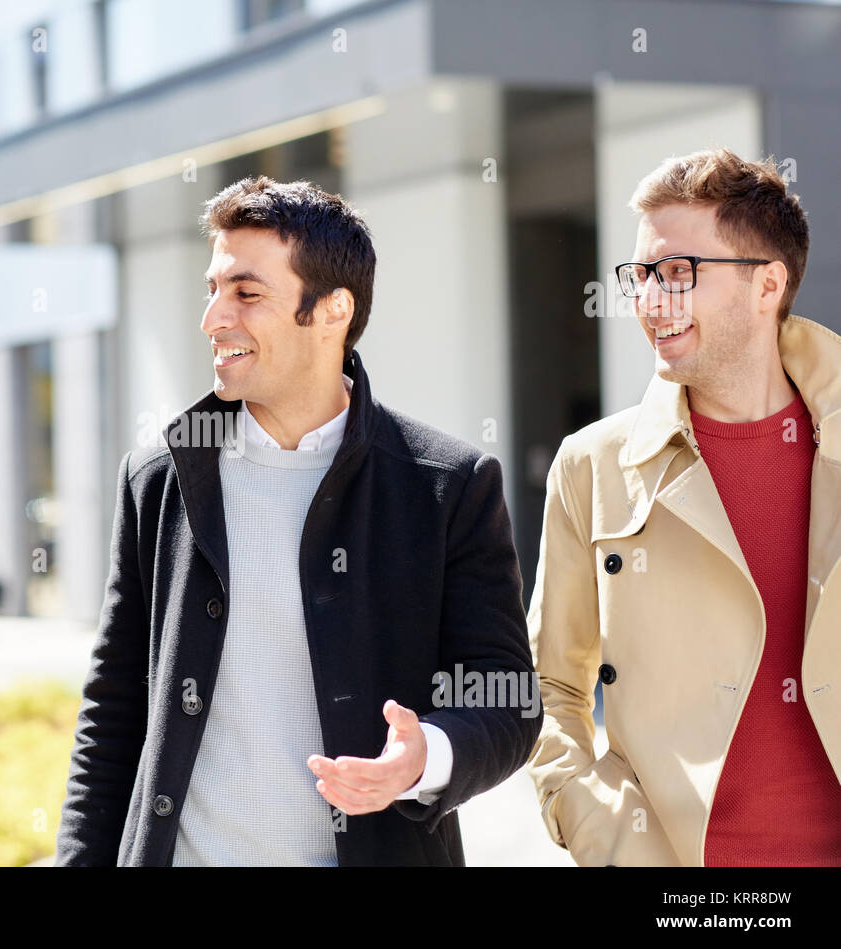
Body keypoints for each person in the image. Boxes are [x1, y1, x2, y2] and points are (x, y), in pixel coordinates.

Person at [56, 175, 540, 866]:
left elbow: (508, 701)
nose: (214, 318)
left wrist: (424, 757)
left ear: (333, 310)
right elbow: (112, 711)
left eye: (247, 293)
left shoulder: (448, 486)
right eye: (213, 288)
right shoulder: (159, 477)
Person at [527, 148, 841, 866]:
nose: (648, 301)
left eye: (677, 274)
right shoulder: (592, 465)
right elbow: (550, 688)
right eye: (640, 276)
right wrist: (605, 838)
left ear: (768, 286)